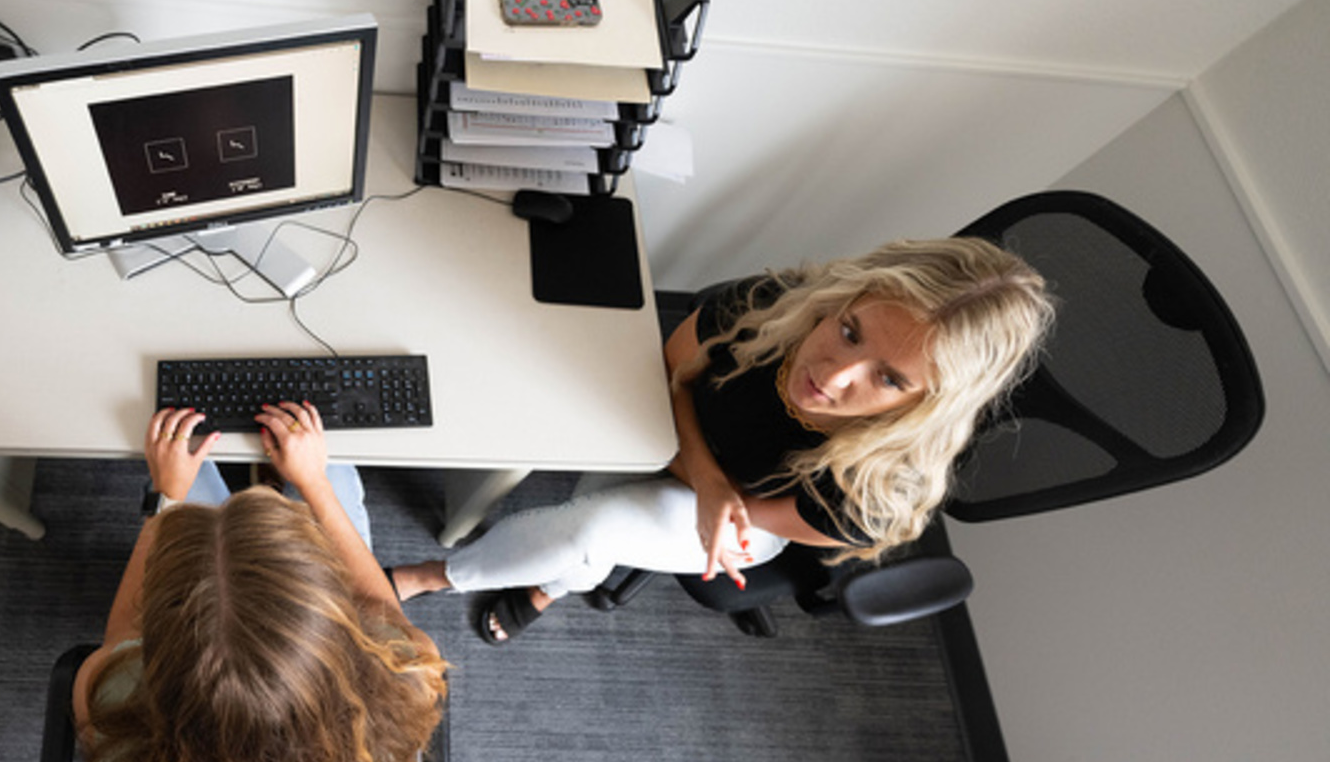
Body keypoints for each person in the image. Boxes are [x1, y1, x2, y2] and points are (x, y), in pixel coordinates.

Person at [388, 237, 1055, 644]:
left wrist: (700, 481)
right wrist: (704, 475)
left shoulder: (878, 489)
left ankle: (432, 576)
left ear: (925, 402)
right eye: (849, 331)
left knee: (586, 533)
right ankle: (551, 588)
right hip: (676, 440)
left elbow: (739, 517)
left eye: (887, 377)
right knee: (584, 530)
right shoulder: (772, 301)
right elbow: (671, 372)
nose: (834, 375)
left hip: (743, 515)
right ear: (838, 300)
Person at [73, 400, 448, 762]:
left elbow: (119, 636)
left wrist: (166, 497)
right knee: (337, 470)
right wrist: (314, 483)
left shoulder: (109, 700)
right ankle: (286, 478)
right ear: (330, 611)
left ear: (162, 621)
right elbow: (380, 607)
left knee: (188, 466)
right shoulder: (406, 676)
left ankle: (223, 480)